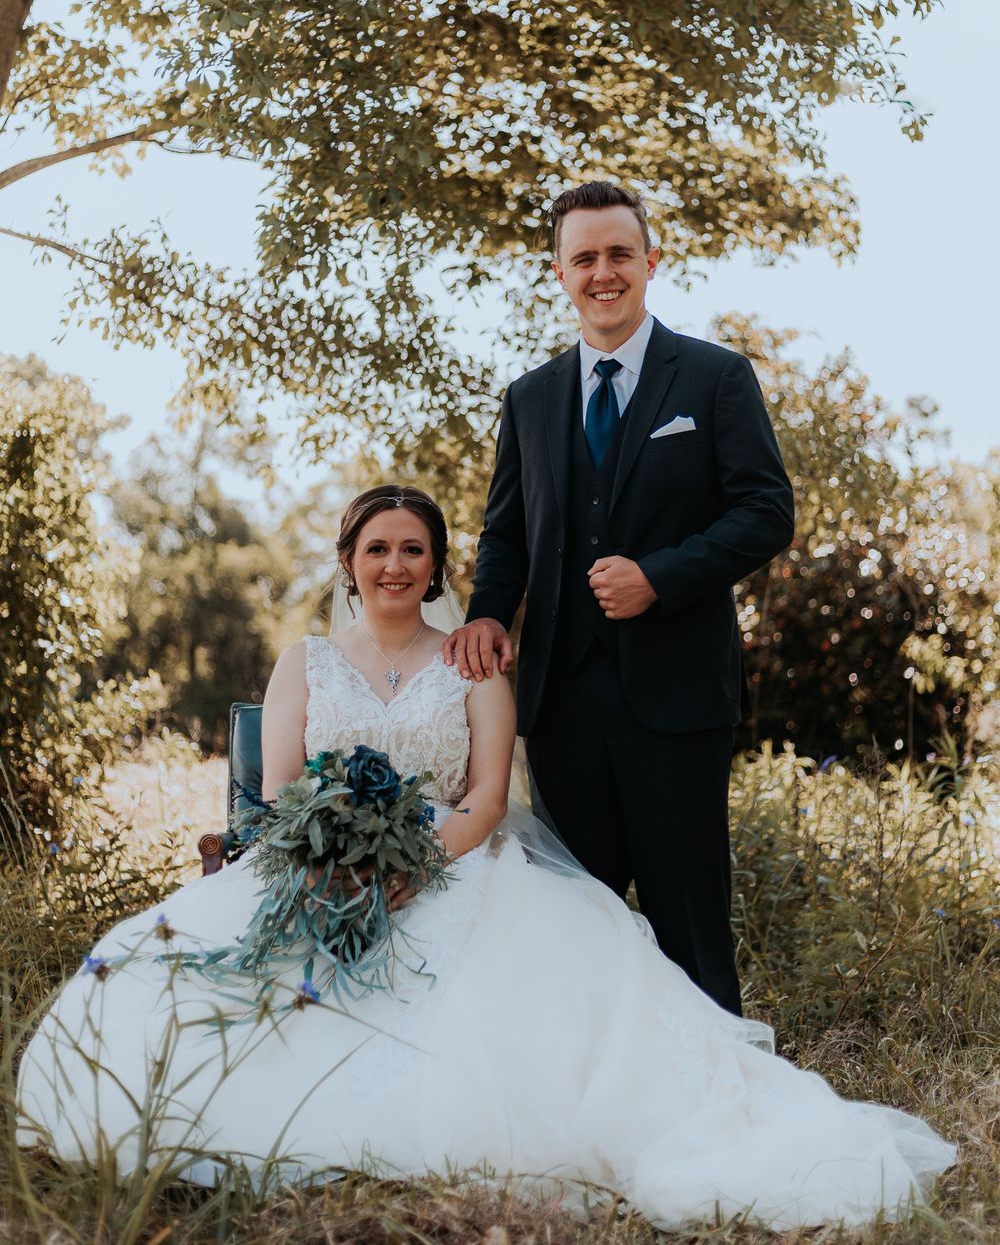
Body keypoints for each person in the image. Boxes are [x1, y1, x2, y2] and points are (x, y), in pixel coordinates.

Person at [17, 483, 953, 1229]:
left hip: (453, 864)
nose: (394, 564)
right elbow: (281, 788)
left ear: (436, 570)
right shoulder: (305, 660)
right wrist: (331, 858)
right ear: (348, 563)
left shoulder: (475, 665)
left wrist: (405, 868)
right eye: (376, 548)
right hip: (307, 863)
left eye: (413, 550)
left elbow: (488, 799)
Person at [446, 180, 795, 1017]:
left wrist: (660, 576)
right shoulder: (529, 399)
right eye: (584, 258)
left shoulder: (714, 377)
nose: (603, 272)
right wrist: (489, 612)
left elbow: (766, 511)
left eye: (618, 254)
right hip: (560, 705)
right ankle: (589, 1113)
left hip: (676, 700)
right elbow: (506, 534)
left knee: (690, 925)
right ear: (560, 272)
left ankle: (719, 1103)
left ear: (650, 261)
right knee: (575, 929)